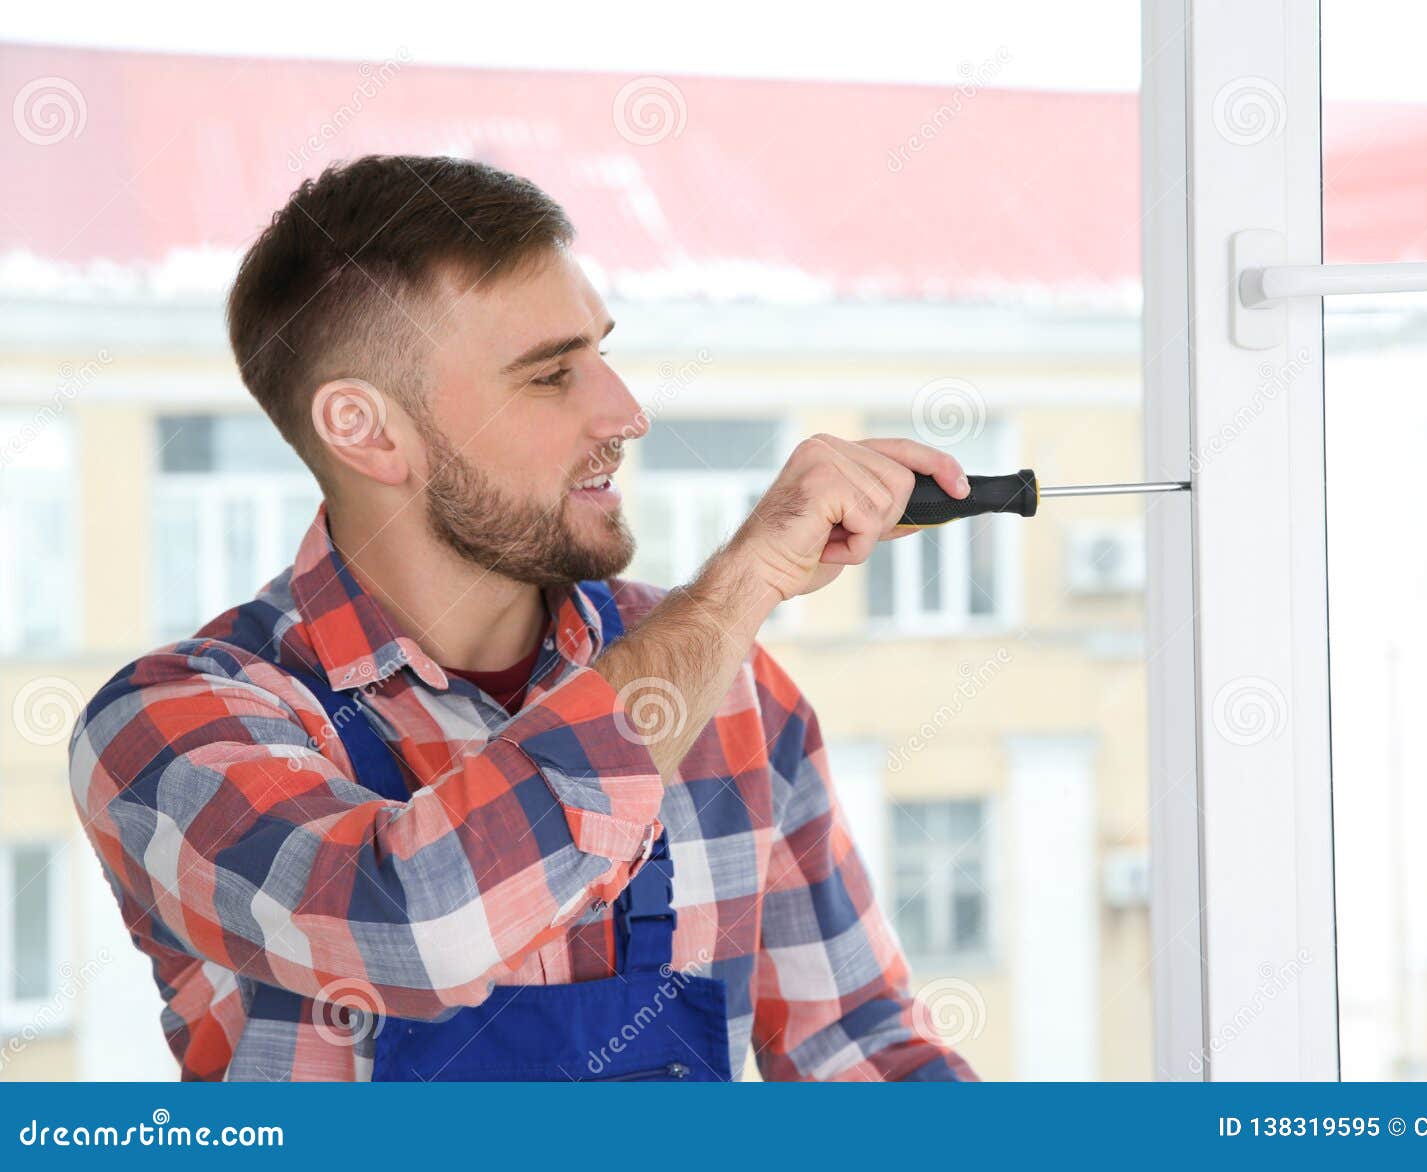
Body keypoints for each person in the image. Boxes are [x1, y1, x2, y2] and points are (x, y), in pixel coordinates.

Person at [66, 154, 978, 1082]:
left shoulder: (734, 692)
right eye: (550, 376)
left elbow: (858, 1051)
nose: (625, 414)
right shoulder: (168, 726)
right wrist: (744, 583)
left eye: (603, 356)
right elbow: (419, 930)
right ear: (366, 430)